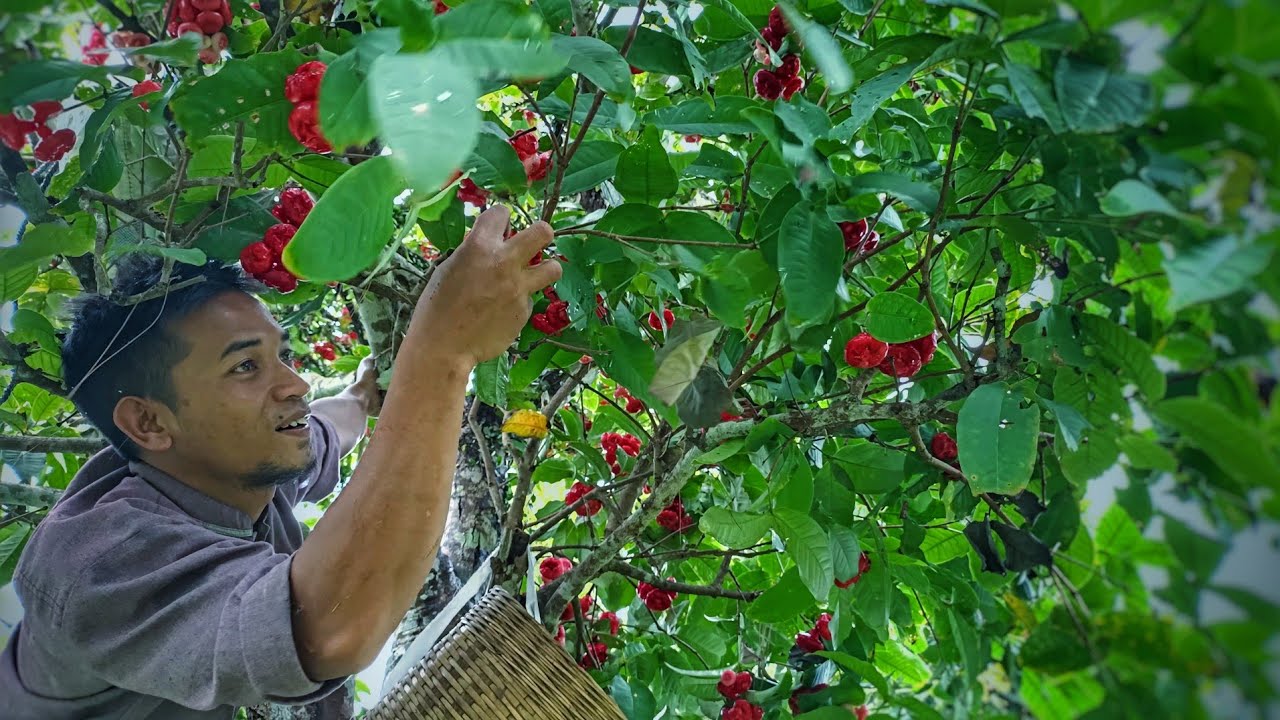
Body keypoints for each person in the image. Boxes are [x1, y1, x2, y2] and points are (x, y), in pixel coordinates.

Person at [0, 206, 560, 719]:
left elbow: (329, 429)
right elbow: (329, 631)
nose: (294, 384)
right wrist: (442, 349)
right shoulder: (99, 561)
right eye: (246, 366)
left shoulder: (234, 466)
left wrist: (363, 396)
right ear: (148, 423)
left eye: (283, 356)